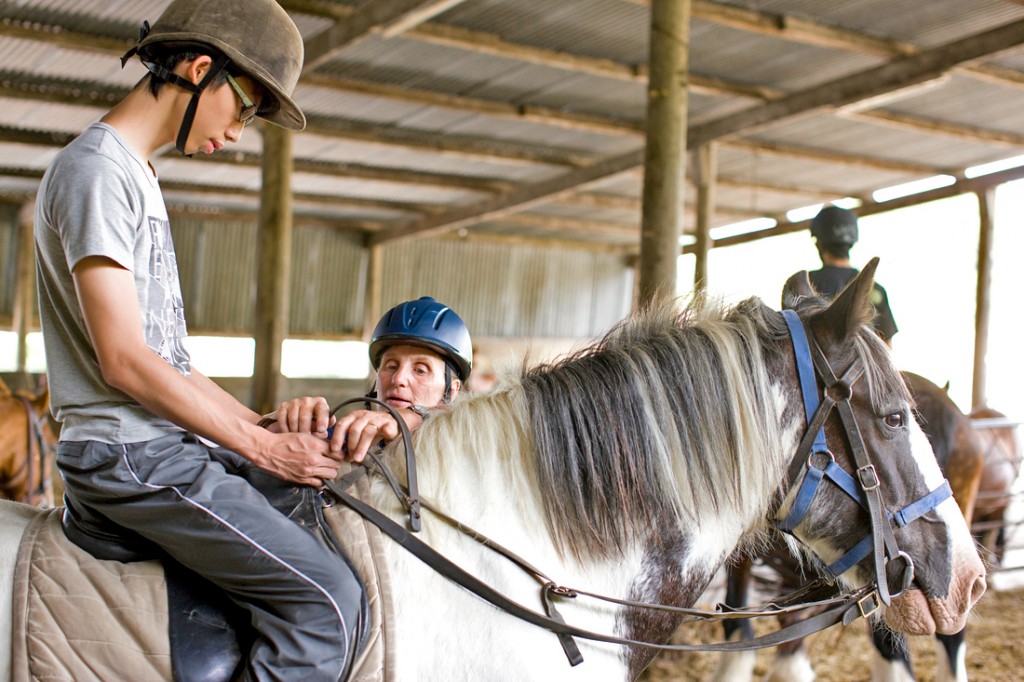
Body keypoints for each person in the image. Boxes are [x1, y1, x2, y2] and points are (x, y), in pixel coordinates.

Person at [33, 2, 366, 680]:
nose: (240, 133)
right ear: (198, 68)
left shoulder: (139, 176)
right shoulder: (96, 172)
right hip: (127, 453)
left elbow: (170, 362)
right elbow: (125, 362)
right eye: (244, 109)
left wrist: (259, 423)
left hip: (158, 445)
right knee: (328, 602)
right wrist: (261, 446)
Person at [272, 297, 472, 462]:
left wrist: (416, 415)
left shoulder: (467, 453)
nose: (398, 378)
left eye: (420, 370)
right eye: (391, 366)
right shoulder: (342, 439)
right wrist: (286, 425)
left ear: (452, 391)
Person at [786, 205, 898, 345]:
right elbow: (887, 344)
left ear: (819, 243)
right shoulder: (875, 288)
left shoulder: (805, 284)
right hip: (865, 365)